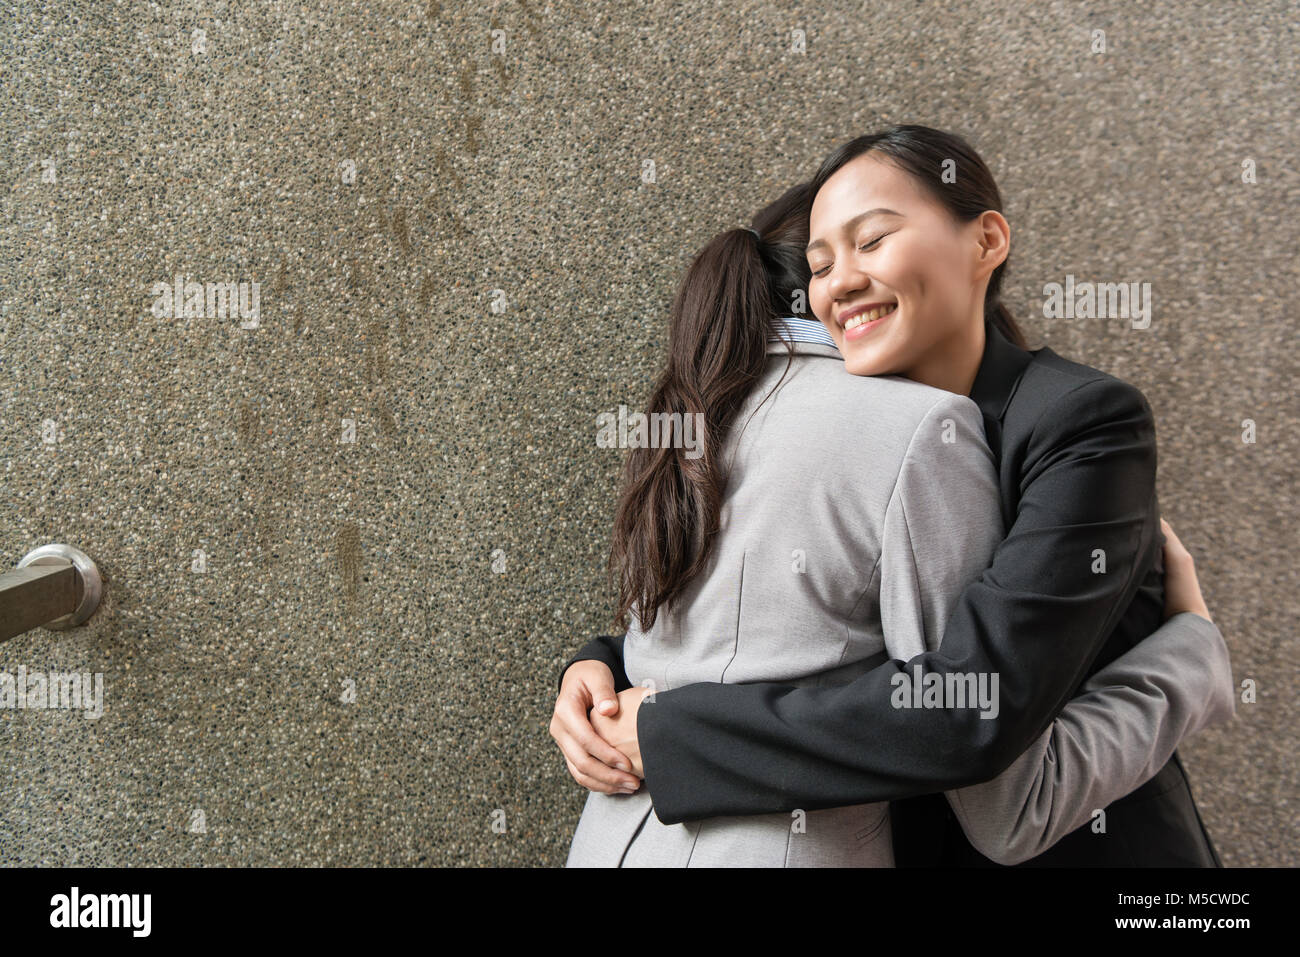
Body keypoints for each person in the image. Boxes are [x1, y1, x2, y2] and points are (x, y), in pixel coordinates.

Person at [553, 125, 1229, 866]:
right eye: (819, 263)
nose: (838, 281)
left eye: (872, 241)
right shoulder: (870, 433)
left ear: (987, 241)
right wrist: (606, 667)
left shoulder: (1081, 421)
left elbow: (971, 701)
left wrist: (1193, 653)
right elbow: (801, 623)